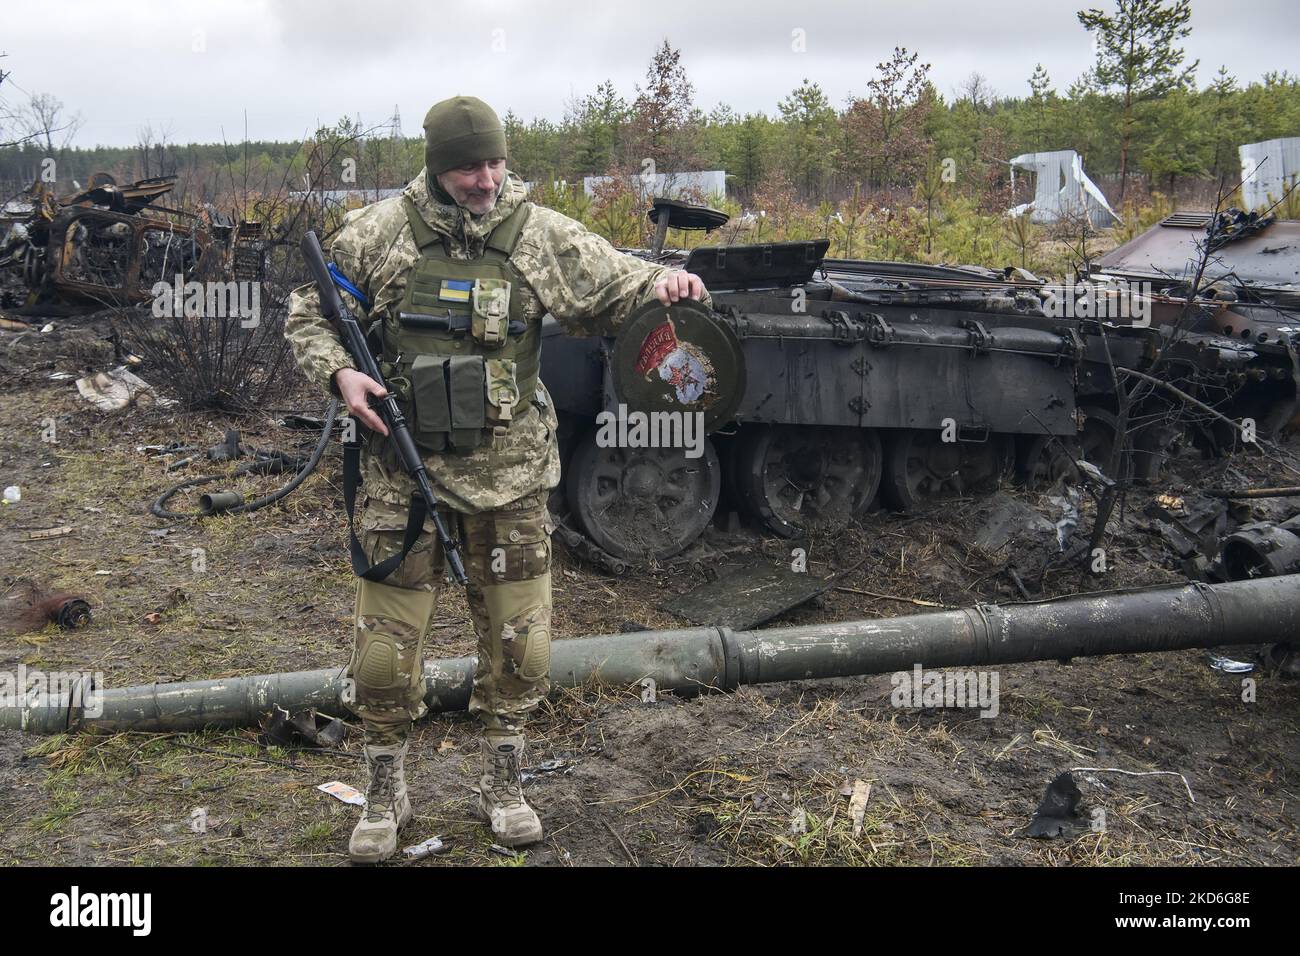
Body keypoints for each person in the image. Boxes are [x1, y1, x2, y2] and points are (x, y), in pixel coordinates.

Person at [285, 95, 708, 862]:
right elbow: (309, 313)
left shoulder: (539, 235)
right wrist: (341, 372)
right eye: (467, 165)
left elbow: (615, 285)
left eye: (494, 162)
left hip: (510, 479)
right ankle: (386, 786)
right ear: (436, 165)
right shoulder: (378, 234)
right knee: (383, 656)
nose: (484, 179)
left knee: (523, 649)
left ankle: (503, 780)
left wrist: (663, 286)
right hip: (401, 480)